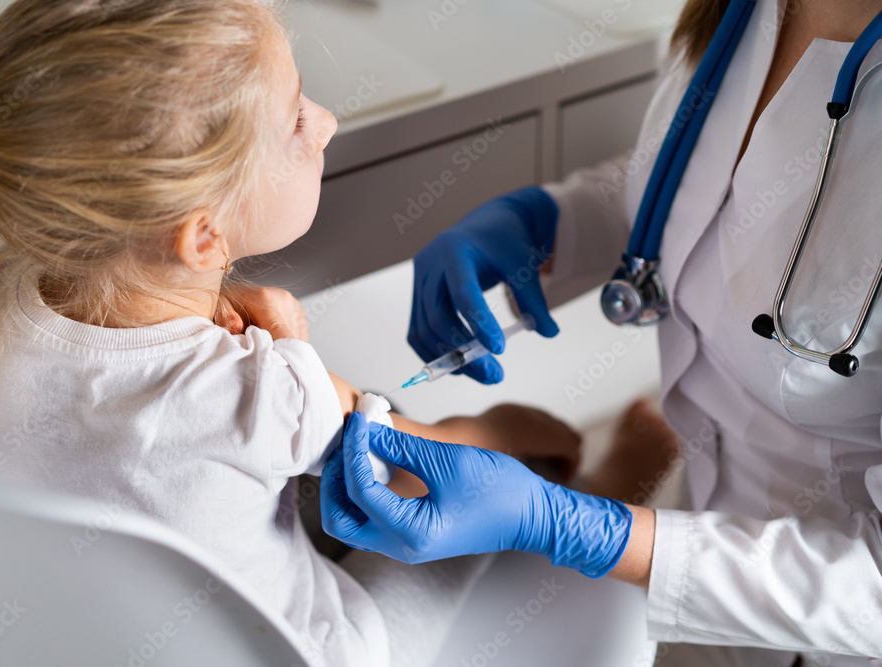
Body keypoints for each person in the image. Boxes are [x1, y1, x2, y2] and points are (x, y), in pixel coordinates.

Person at [0, 1, 680, 665]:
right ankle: (624, 469)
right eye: (298, 116)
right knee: (489, 509)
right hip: (308, 646)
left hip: (84, 627)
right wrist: (509, 431)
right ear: (201, 238)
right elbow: (420, 468)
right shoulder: (264, 394)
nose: (327, 121)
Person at [323, 0, 882, 665]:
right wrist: (551, 223)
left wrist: (577, 527)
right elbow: (713, 179)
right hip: (691, 532)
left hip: (821, 619)